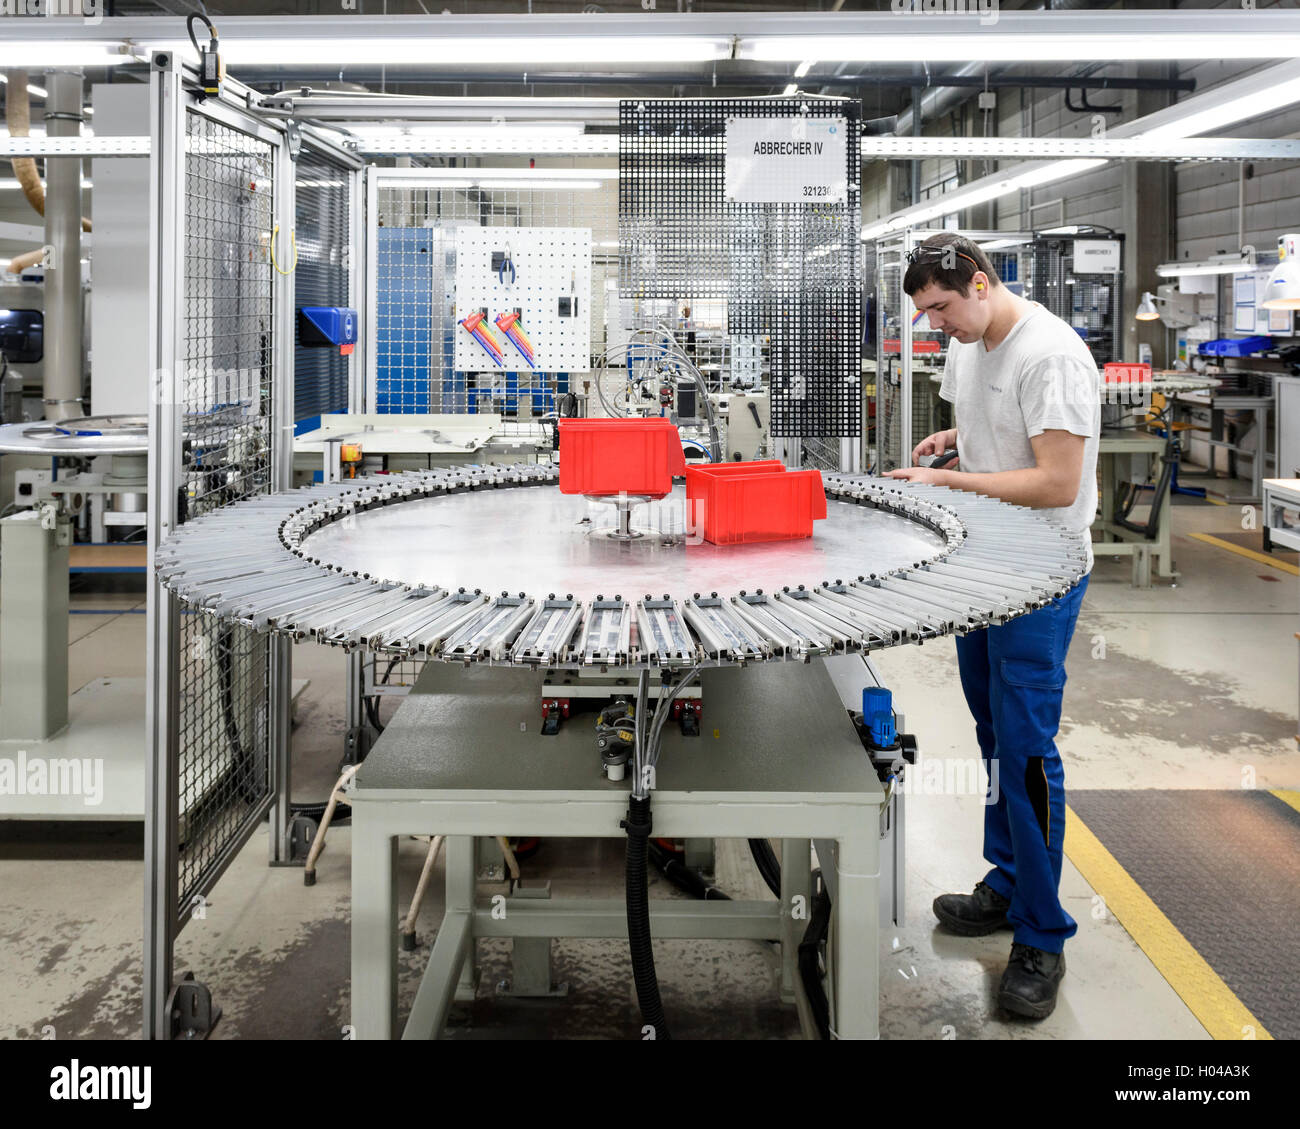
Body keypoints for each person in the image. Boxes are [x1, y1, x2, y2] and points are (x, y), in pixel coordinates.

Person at [885, 231, 1099, 1020]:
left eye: (941, 307)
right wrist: (955, 441)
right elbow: (994, 437)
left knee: (1028, 750)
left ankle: (1044, 933)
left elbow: (1054, 481)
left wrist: (946, 478)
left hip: (1042, 575)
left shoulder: (1052, 357)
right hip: (986, 570)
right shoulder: (968, 347)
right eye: (925, 314)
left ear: (978, 282)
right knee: (991, 735)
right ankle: (1009, 881)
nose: (936, 325)